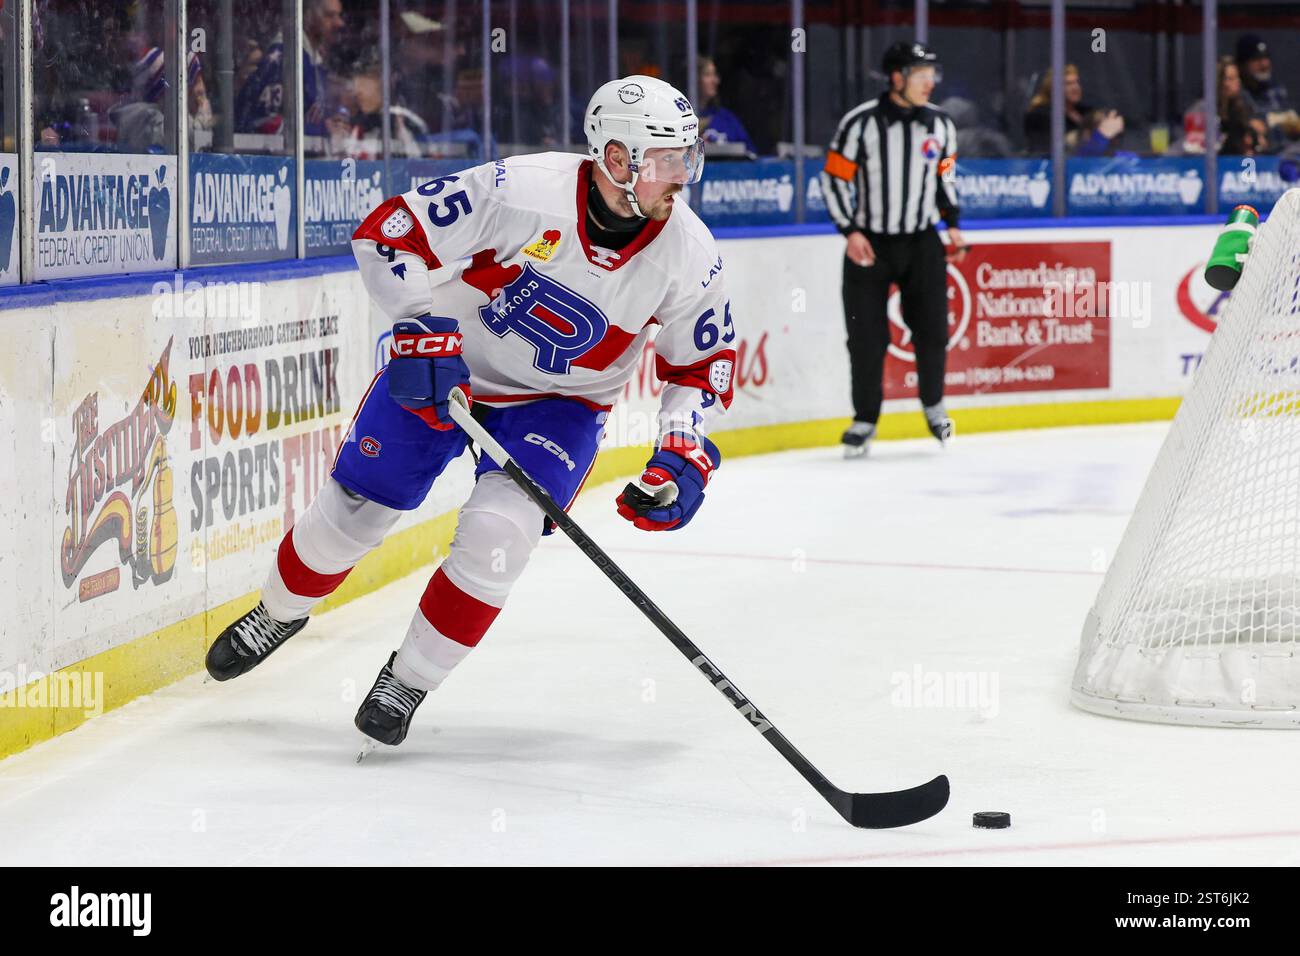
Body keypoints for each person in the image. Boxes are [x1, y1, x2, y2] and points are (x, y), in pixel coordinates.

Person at [204, 76, 738, 746]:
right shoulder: (520, 190)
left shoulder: (691, 254)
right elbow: (389, 234)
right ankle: (279, 611)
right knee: (354, 515)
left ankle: (409, 679)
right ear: (615, 158)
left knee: (499, 538)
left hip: (561, 406)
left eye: (686, 158)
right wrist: (418, 324)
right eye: (665, 161)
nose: (681, 177)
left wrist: (682, 449)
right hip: (448, 373)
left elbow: (699, 366)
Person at [821, 41, 965, 458]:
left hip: (922, 242)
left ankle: (935, 409)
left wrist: (952, 226)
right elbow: (833, 180)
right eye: (920, 73)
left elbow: (946, 178)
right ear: (896, 78)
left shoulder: (941, 125)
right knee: (866, 337)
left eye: (931, 73)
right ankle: (865, 419)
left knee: (933, 330)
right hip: (871, 243)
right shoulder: (860, 123)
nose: (929, 82)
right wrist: (849, 230)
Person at [235, 0, 346, 138]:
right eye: (329, 15)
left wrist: (328, 124)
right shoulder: (285, 56)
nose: (339, 23)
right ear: (308, 15)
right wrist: (323, 130)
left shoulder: (313, 60)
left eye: (339, 15)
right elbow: (265, 123)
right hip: (270, 158)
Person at [1024, 65, 1124, 157]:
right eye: (1068, 83)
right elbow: (1047, 153)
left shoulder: (1086, 111)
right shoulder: (1039, 115)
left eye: (1077, 82)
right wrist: (1102, 134)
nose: (1075, 87)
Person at [1235, 34, 1299, 151]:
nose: (1264, 64)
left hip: (1287, 156)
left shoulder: (1277, 91)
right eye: (1256, 59)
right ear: (1242, 65)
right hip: (1254, 161)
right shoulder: (1237, 95)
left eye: (1266, 58)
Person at [697, 55, 756, 154]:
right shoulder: (681, 117)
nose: (715, 81)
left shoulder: (725, 117)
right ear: (694, 78)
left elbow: (750, 152)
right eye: (707, 75)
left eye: (715, 75)